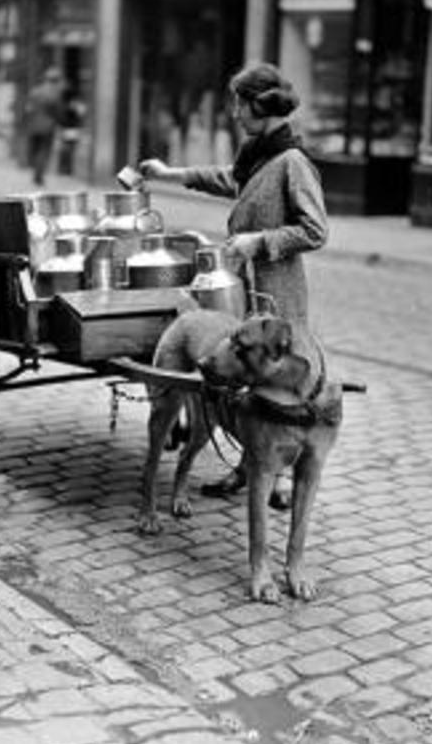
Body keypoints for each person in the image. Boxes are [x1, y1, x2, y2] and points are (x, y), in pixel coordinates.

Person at [139, 61, 329, 501]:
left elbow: (316, 230)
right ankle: (248, 469)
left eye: (239, 105)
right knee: (244, 384)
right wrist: (170, 174)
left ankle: (276, 478)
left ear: (259, 106)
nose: (235, 114)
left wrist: (259, 241)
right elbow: (231, 180)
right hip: (247, 290)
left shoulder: (293, 162)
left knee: (276, 386)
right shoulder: (260, 153)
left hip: (277, 294)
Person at [26, 67, 66, 186]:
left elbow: (28, 109)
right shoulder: (55, 94)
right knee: (44, 151)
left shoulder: (35, 91)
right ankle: (38, 175)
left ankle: (36, 173)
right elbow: (58, 112)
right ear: (56, 80)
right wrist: (62, 123)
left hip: (33, 125)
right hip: (48, 126)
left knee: (36, 150)